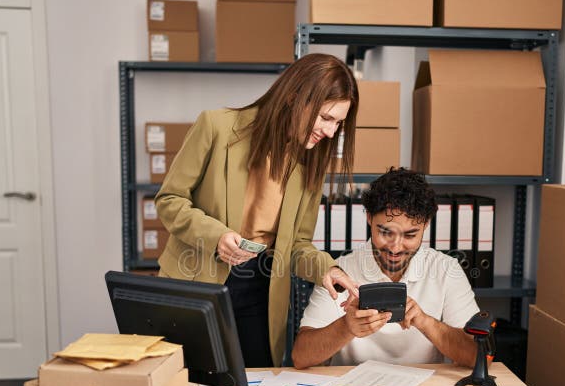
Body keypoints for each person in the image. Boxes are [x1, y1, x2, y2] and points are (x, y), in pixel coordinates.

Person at [155, 53, 359, 368]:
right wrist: (216, 237)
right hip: (197, 276)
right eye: (325, 118)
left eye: (338, 123)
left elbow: (298, 247)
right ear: (295, 97)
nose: (331, 133)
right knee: (186, 384)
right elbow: (169, 200)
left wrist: (326, 270)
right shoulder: (217, 127)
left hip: (261, 286)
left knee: (253, 385)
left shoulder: (309, 165)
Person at [291, 168, 480, 369]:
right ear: (369, 218)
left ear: (425, 225)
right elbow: (301, 357)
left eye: (409, 235)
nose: (396, 247)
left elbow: (477, 356)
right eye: (385, 232)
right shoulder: (340, 271)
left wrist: (426, 323)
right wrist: (346, 327)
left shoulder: (446, 269)